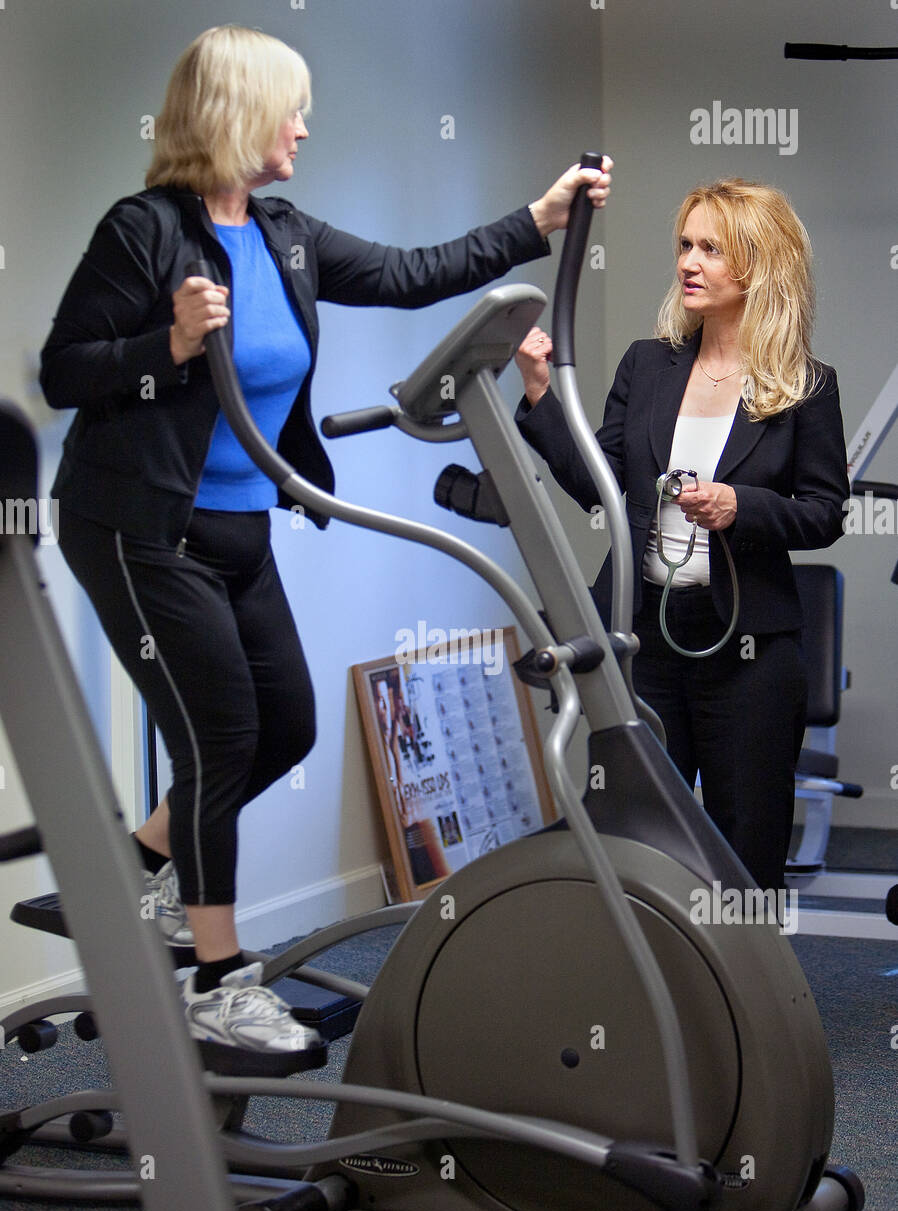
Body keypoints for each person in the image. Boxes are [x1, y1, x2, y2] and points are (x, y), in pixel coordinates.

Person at [40, 24, 611, 1058]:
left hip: (240, 521)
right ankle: (217, 979)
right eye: (289, 108)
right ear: (237, 115)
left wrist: (537, 217)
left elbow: (406, 270)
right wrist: (163, 346)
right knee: (216, 737)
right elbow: (64, 371)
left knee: (286, 726)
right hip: (135, 524)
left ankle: (132, 862)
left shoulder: (283, 233)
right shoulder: (142, 232)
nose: (303, 125)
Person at [514, 178, 848, 895]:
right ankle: (645, 995)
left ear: (757, 265)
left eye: (710, 249)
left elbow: (825, 512)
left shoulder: (807, 385)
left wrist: (741, 505)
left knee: (745, 845)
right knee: (639, 838)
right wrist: (540, 393)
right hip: (645, 641)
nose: (688, 263)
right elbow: (596, 485)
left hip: (750, 652)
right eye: (684, 246)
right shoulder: (648, 364)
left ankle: (749, 1004)